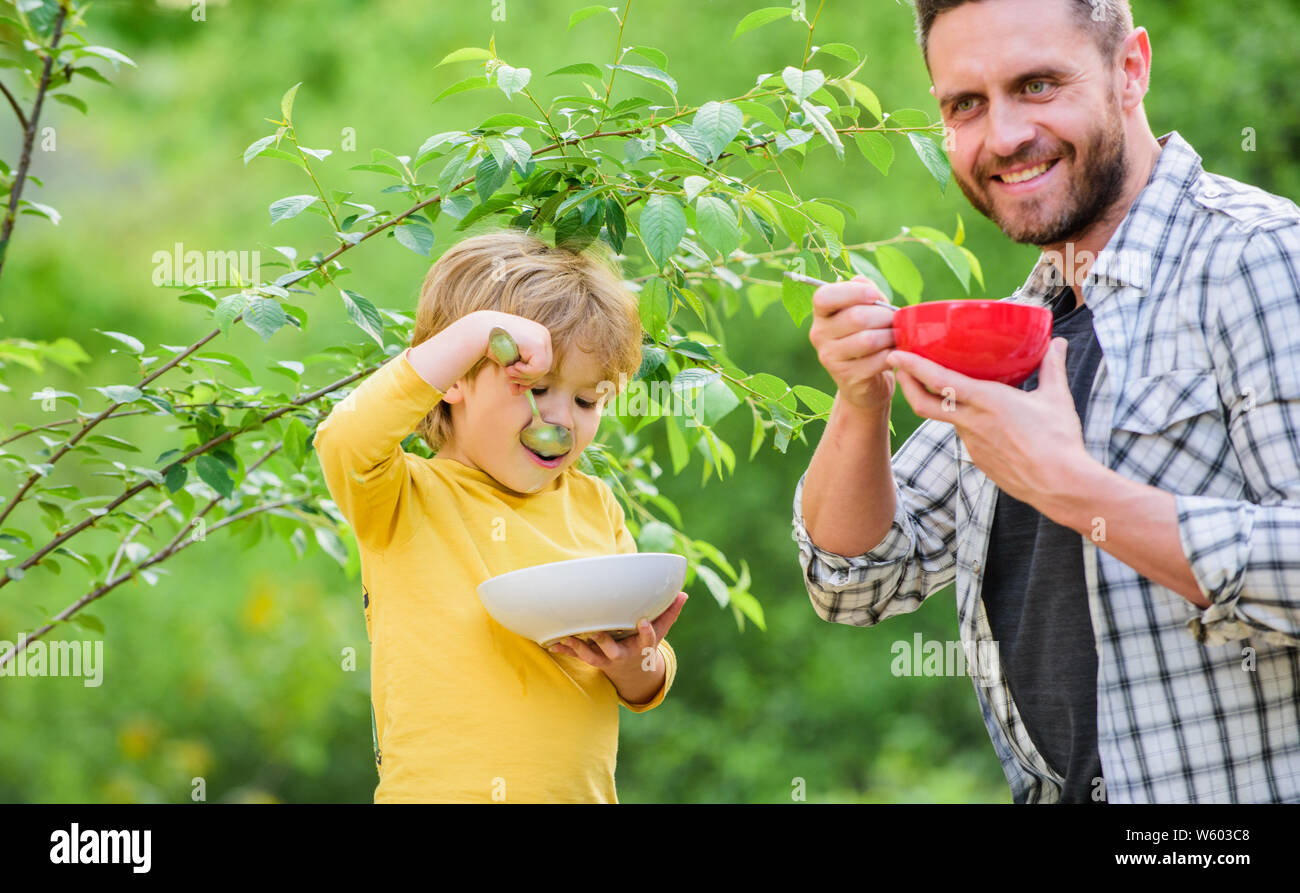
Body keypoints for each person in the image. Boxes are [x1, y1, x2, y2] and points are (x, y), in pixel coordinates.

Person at [792, 0, 1300, 803]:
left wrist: (1072, 487)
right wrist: (861, 397)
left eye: (1037, 85)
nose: (1001, 137)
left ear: (1130, 70)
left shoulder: (1258, 259)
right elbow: (856, 577)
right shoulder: (1024, 321)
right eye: (966, 104)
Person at [315, 229, 687, 803]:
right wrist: (470, 334)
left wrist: (640, 665)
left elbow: (639, 669)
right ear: (457, 379)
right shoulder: (401, 497)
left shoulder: (594, 505)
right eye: (534, 388)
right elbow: (344, 438)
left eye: (587, 401)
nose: (561, 419)